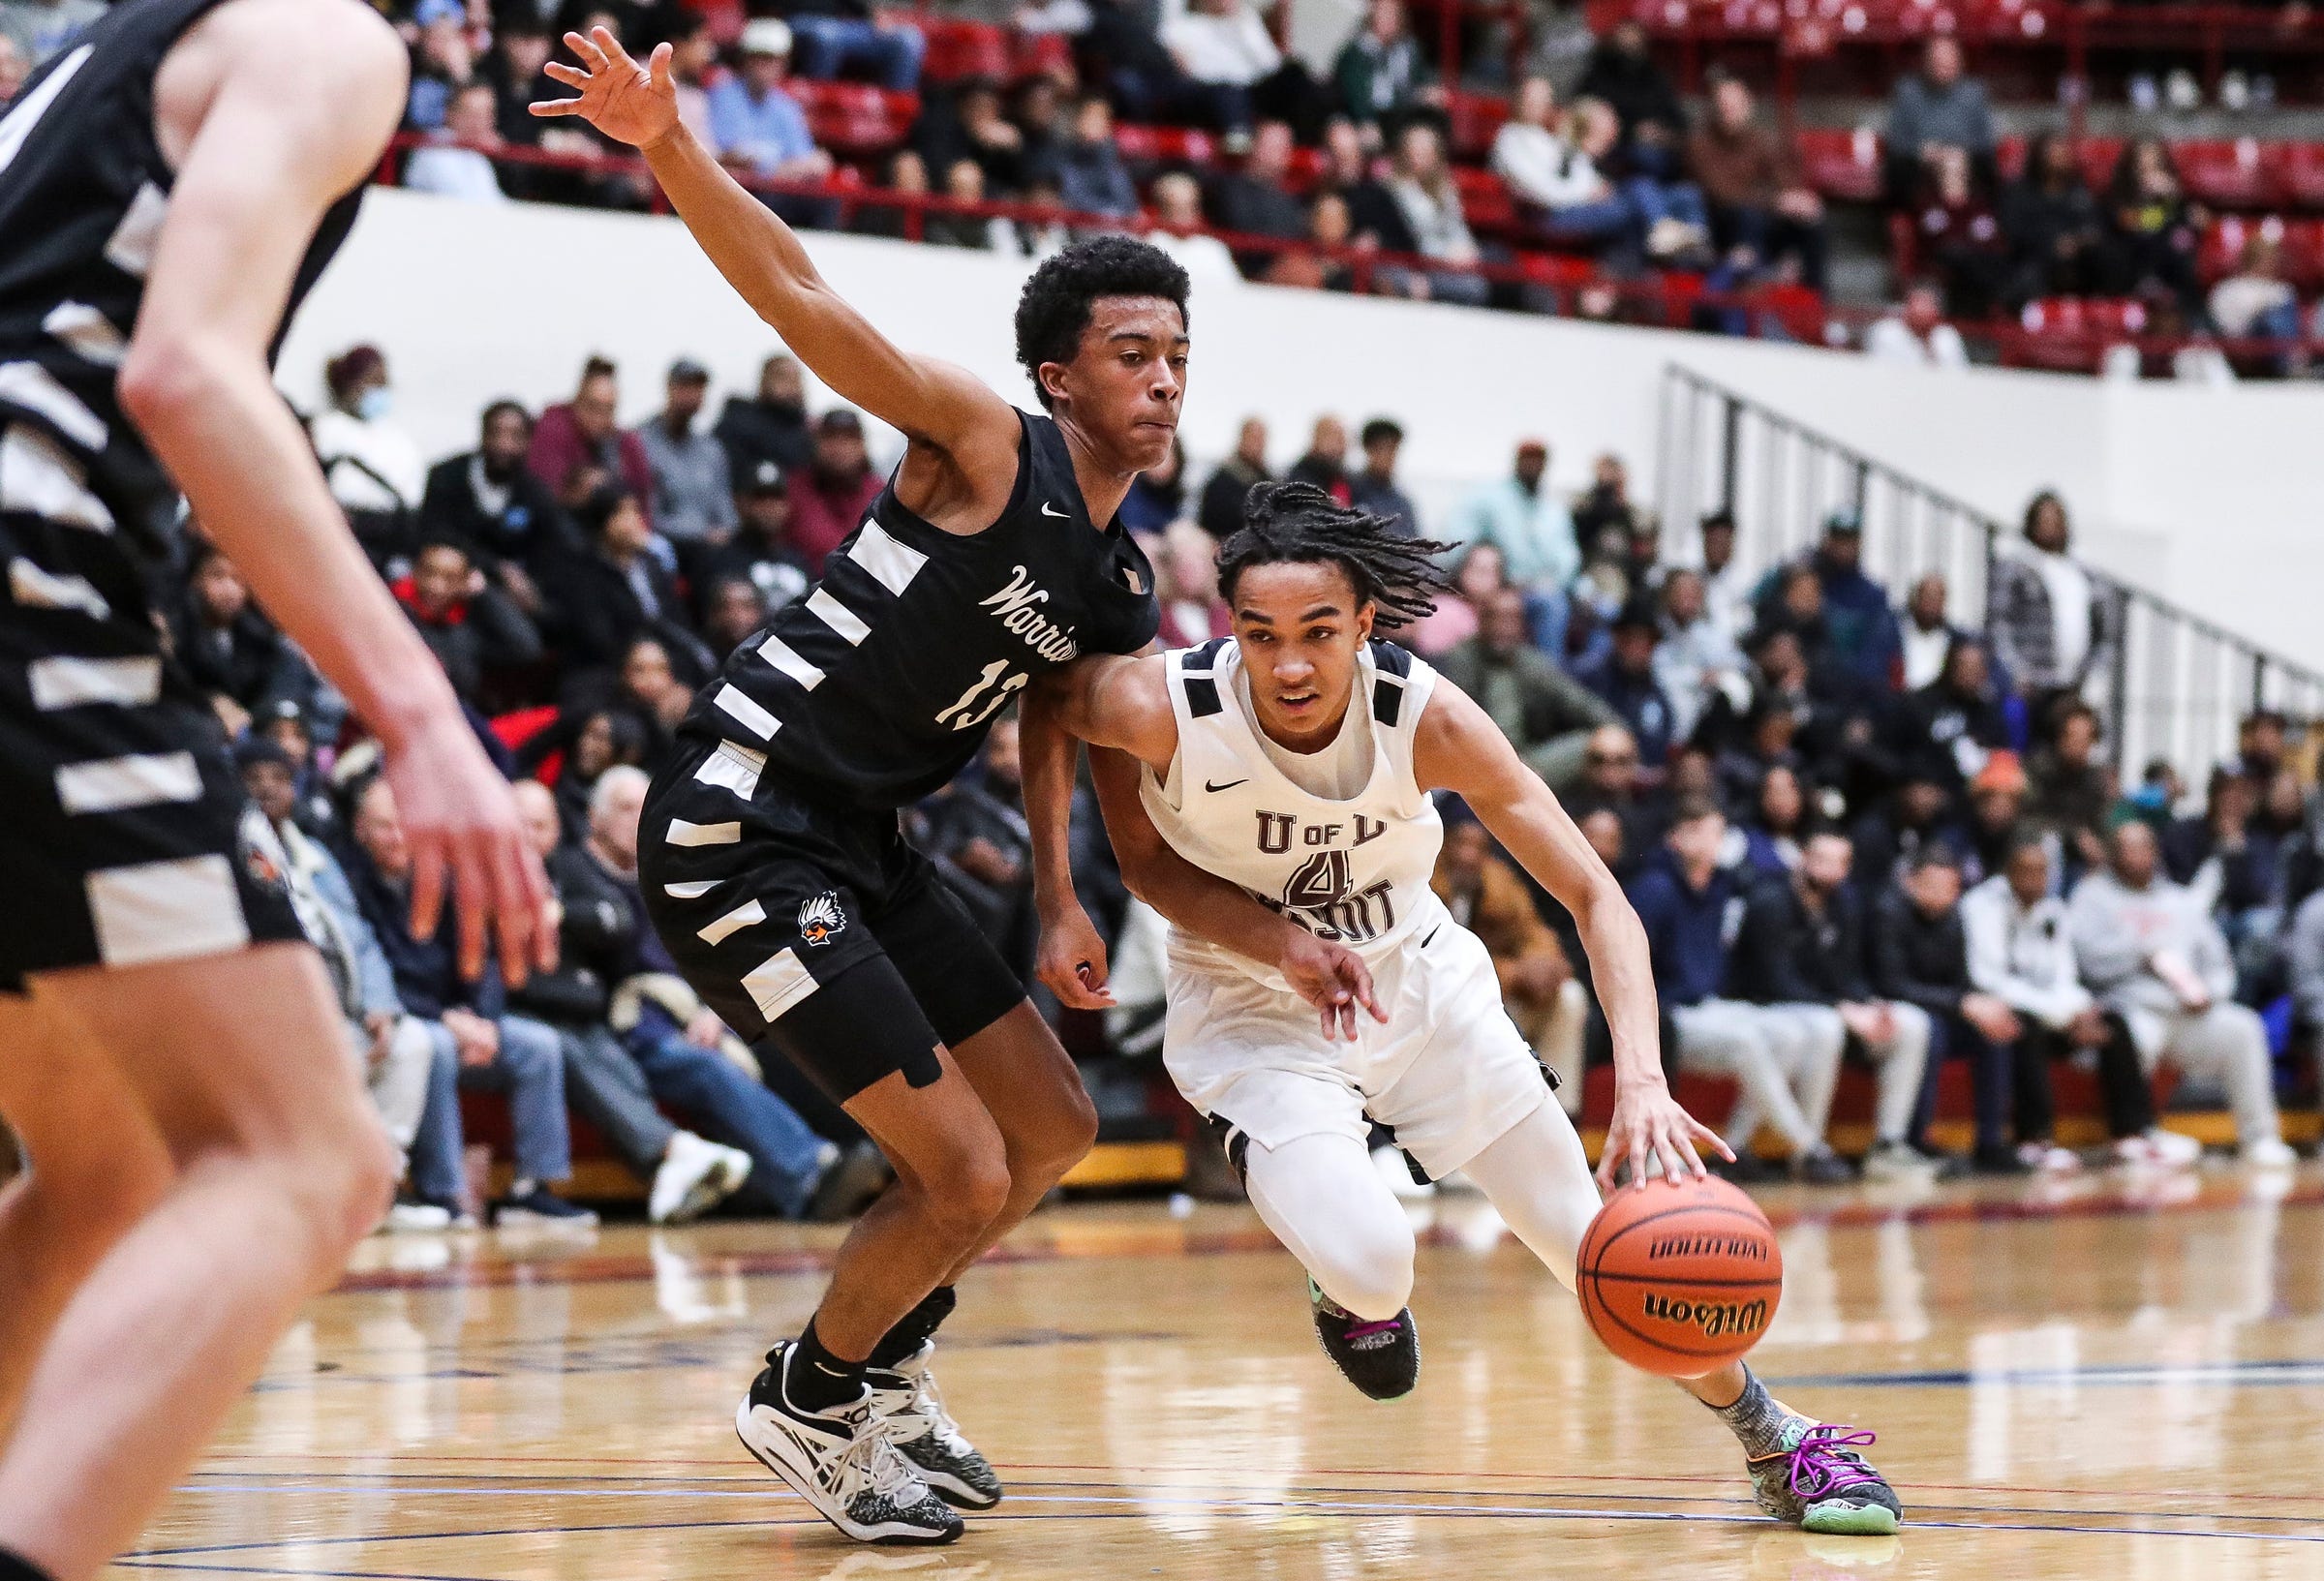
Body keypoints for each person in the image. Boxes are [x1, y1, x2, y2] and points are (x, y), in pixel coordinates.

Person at [534, 29, 1372, 1546]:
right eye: (1134, 352)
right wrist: (667, 143)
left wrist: (1059, 894)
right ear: (1060, 372)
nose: (1166, 378)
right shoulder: (984, 445)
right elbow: (802, 297)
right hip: (742, 823)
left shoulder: (1115, 577)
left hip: (862, 841)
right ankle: (809, 1392)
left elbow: (1053, 717)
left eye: (1179, 355)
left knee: (1047, 1128)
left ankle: (887, 1372)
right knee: (959, 1164)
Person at [1046, 481, 1900, 1536]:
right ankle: (1342, 1280)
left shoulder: (1426, 716)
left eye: (1321, 630)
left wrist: (1640, 1081)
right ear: (1234, 632)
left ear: (1367, 621)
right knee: (1372, 1262)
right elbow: (1068, 723)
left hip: (1422, 985)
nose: (1293, 664)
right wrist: (1064, 895)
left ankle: (1777, 1440)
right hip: (1252, 1005)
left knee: (1603, 1246)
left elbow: (1597, 896)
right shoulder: (1162, 707)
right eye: (1262, 636)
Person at [0, 5, 553, 1575]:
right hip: (35, 596)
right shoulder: (323, 36)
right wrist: (419, 710)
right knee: (309, 1148)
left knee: (108, 1165)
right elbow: (187, 371)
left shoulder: (92, 62)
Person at [1631, 800, 1852, 1184]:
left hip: (1714, 1004)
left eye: (1718, 832)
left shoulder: (1721, 884)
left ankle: (1734, 1147)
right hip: (1670, 1012)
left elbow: (1769, 884)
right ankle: (1807, 1146)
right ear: (1676, 838)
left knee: (1792, 1035)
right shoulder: (1654, 888)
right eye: (1702, 831)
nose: (1714, 841)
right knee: (1749, 1041)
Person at [2067, 822, 2292, 1167]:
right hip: (2132, 1007)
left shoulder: (2181, 901)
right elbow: (2086, 961)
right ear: (2113, 853)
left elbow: (2220, 964)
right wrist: (2140, 955)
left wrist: (2209, 994)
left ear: (2155, 852)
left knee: (2244, 1027)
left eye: (2143, 847)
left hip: (2189, 1013)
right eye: (2126, 847)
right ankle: (2140, 1137)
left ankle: (2260, 1137)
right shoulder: (2091, 896)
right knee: (2129, 1041)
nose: (2135, 855)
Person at [1961, 833, 2187, 1171]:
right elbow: (1989, 979)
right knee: (2024, 1025)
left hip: (2055, 1013)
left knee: (2112, 1022)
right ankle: (2034, 1140)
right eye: (2025, 870)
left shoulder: (2053, 909)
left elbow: (2065, 976)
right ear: (2006, 872)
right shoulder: (1981, 907)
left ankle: (2132, 1133)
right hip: (1999, 1013)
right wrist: (2061, 1014)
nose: (2035, 879)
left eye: (2042, 871)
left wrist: (2081, 1011)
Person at [1729, 831, 1935, 1180]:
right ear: (1802, 858)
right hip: (1766, 1005)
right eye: (1820, 858)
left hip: (1824, 1006)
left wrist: (1868, 1004)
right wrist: (1842, 1008)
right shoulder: (1769, 902)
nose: (1828, 870)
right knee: (1827, 1026)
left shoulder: (1845, 903)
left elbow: (1848, 972)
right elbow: (1775, 982)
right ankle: (1809, 1149)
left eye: (1838, 862)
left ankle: (1889, 1143)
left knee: (1912, 1022)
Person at [1870, 846, 2026, 1172]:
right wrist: (1962, 1003)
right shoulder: (1887, 912)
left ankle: (1992, 1141)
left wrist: (1981, 1006)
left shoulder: (1955, 919)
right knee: (1931, 1031)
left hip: (1940, 1010)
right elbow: (1891, 984)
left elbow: (1961, 981)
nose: (1943, 894)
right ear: (1910, 882)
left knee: (1993, 1030)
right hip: (1892, 1015)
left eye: (1951, 887)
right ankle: (1914, 1139)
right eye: (1933, 885)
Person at [1432, 812, 1588, 1109]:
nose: (1468, 855)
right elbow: (1437, 963)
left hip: (1497, 998)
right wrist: (1513, 973)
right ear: (1442, 845)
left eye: (1478, 847)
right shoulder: (1422, 877)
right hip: (1439, 1005)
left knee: (1570, 997)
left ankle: (1560, 1111)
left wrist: (1542, 963)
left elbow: (1535, 933)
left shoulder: (1500, 881)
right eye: (1460, 843)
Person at [1432, 588, 1614, 790]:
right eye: (1495, 616)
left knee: (1598, 741)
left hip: (1528, 762)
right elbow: (1452, 725)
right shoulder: (1461, 659)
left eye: (1511, 619)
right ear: (1481, 620)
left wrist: (1616, 731)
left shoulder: (1533, 664)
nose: (1502, 626)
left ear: (1522, 626)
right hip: (1472, 761)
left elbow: (1581, 703)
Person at [417, 401, 569, 602]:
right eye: (496, 433)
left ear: (528, 441)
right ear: (483, 434)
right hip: (448, 583)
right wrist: (495, 568)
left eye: (515, 436)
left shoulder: (535, 493)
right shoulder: (446, 477)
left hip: (511, 594)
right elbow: (434, 534)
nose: (504, 445)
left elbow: (548, 548)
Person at [1688, 71, 1826, 290]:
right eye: (1724, 107)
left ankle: (1817, 305)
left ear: (1748, 106)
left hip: (1763, 220)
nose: (1729, 112)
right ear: (1714, 109)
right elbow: (1722, 194)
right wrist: (1776, 201)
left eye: (1735, 106)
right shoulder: (1700, 144)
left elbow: (1783, 179)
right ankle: (1752, 279)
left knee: (1811, 222)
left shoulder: (1761, 140)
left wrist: (1797, 199)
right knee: (1747, 215)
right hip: (1723, 223)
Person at [1443, 439, 1580, 645]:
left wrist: (1553, 583)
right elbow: (1455, 538)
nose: (1533, 465)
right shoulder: (1491, 499)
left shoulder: (1553, 510)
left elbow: (1568, 559)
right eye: (1528, 459)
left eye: (1538, 461)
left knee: (1603, 612)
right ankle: (1545, 673)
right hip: (1507, 586)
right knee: (1550, 606)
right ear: (1517, 461)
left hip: (1549, 587)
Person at [529, 354, 654, 513]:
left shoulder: (626, 442)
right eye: (593, 407)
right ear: (577, 401)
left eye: (608, 410)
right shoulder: (552, 430)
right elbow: (544, 494)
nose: (599, 418)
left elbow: (643, 499)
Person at [634, 356, 736, 551]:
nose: (692, 395)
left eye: (698, 388)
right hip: (661, 547)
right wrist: (699, 535)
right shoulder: (642, 443)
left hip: (709, 551)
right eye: (686, 386)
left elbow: (726, 514)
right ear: (670, 388)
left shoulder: (711, 450)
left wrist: (723, 533)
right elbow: (646, 514)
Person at [1882, 37, 1995, 206]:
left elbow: (1985, 142)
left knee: (1964, 167)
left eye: (1947, 63)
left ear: (1960, 63)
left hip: (1964, 165)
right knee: (1897, 168)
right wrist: (1925, 153)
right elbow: (1897, 141)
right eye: (1936, 62)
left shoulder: (1975, 93)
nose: (1941, 68)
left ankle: (1958, 220)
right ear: (1926, 63)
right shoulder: (1907, 92)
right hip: (1918, 167)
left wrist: (1955, 153)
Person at [786, 408, 885, 571]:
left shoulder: (881, 494)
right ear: (816, 443)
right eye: (830, 437)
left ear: (862, 446)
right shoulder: (794, 489)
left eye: (849, 439)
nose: (839, 448)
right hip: (807, 589)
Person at [716, 352, 815, 483]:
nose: (792, 384)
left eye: (796, 378)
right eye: (782, 377)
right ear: (764, 381)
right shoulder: (739, 424)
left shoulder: (810, 432)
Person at [1197, 416, 1270, 542]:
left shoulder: (1269, 478)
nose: (1259, 445)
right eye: (1254, 438)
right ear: (1242, 438)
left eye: (1262, 439)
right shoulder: (1222, 479)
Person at [1348, 416, 1418, 538]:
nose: (1388, 456)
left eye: (1393, 449)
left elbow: (1416, 547)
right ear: (1368, 450)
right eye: (1382, 448)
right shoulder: (1348, 488)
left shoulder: (1402, 503)